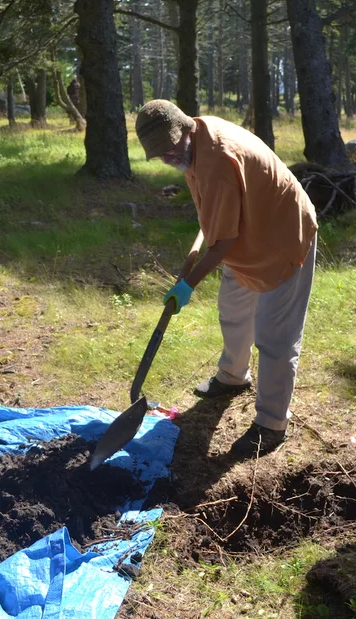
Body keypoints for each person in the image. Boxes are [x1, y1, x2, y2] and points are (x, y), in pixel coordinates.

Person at [134, 100, 318, 457]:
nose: (168, 158)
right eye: (160, 154)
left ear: (185, 128)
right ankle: (233, 377)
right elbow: (219, 222)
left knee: (276, 336)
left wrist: (188, 284)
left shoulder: (217, 160)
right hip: (247, 232)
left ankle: (271, 424)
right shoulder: (195, 142)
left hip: (282, 236)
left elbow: (222, 243)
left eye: (170, 149)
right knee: (233, 309)